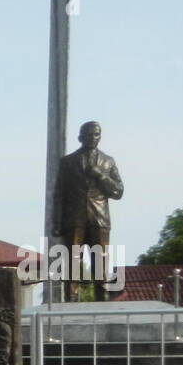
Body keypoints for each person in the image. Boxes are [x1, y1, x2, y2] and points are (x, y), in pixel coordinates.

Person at [52, 121, 124, 302]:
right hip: (73, 219)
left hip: (99, 219)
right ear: (80, 137)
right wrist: (57, 222)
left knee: (100, 263)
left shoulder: (108, 162)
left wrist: (100, 175)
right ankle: (71, 299)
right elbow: (59, 194)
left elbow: (118, 191)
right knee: (72, 264)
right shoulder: (67, 162)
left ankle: (102, 299)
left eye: (96, 134)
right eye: (89, 134)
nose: (93, 137)